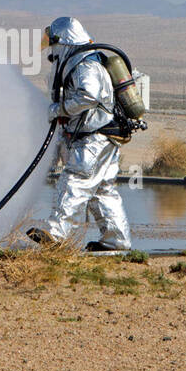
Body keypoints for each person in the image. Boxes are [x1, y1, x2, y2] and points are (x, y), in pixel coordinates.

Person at [27, 16, 132, 251]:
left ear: (64, 41)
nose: (51, 49)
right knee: (102, 191)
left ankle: (56, 233)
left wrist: (59, 109)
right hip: (102, 136)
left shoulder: (84, 63)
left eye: (52, 41)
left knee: (73, 180)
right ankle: (116, 241)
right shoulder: (81, 61)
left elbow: (89, 95)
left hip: (94, 137)